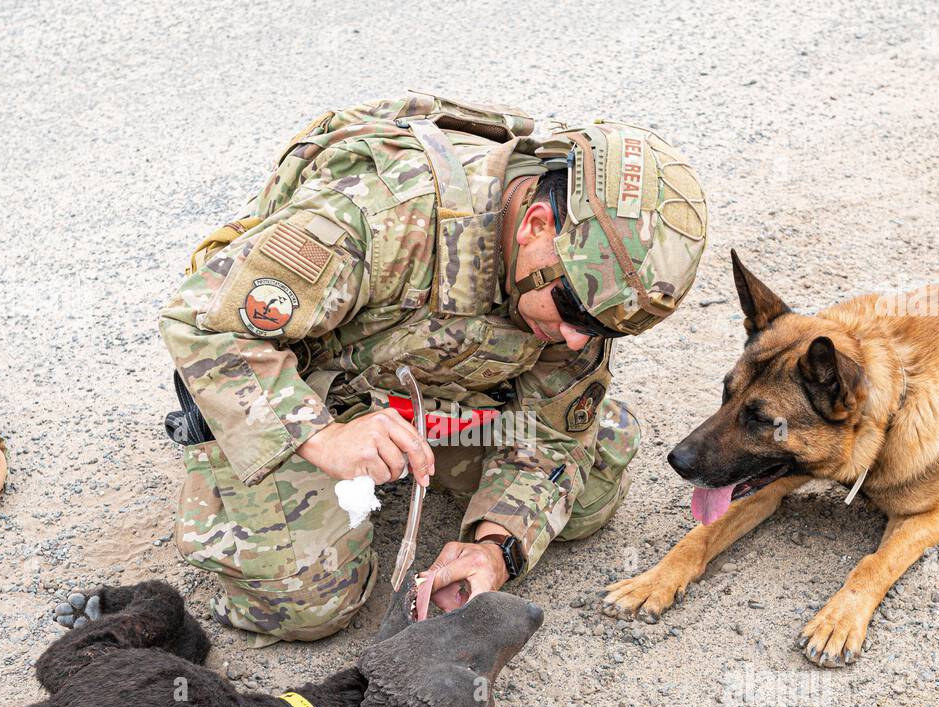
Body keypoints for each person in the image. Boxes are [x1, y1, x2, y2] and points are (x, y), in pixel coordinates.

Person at [159, 93, 707, 645]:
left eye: (604, 331)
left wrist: (495, 550)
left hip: (425, 386)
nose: (575, 339)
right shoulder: (383, 214)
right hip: (305, 383)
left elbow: (551, 437)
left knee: (591, 491)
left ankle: (390, 456)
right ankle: (230, 446)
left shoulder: (582, 283)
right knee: (310, 603)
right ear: (536, 225)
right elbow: (202, 321)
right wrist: (322, 438)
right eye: (573, 312)